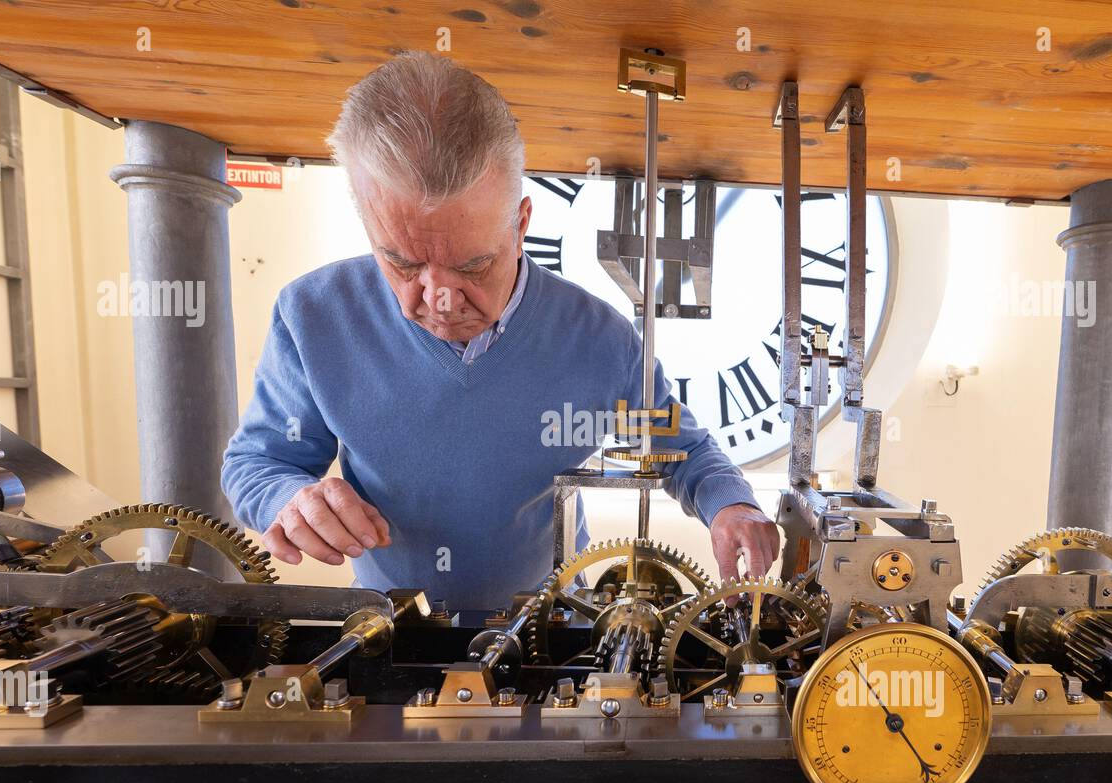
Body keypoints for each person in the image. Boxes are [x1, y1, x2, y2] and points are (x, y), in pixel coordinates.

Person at [221, 51, 780, 608]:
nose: (437, 300)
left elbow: (683, 450)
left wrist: (734, 506)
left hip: (551, 629)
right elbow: (257, 463)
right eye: (403, 263)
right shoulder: (311, 315)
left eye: (471, 267)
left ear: (521, 225)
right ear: (368, 226)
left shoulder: (599, 338)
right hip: (388, 628)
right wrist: (289, 499)